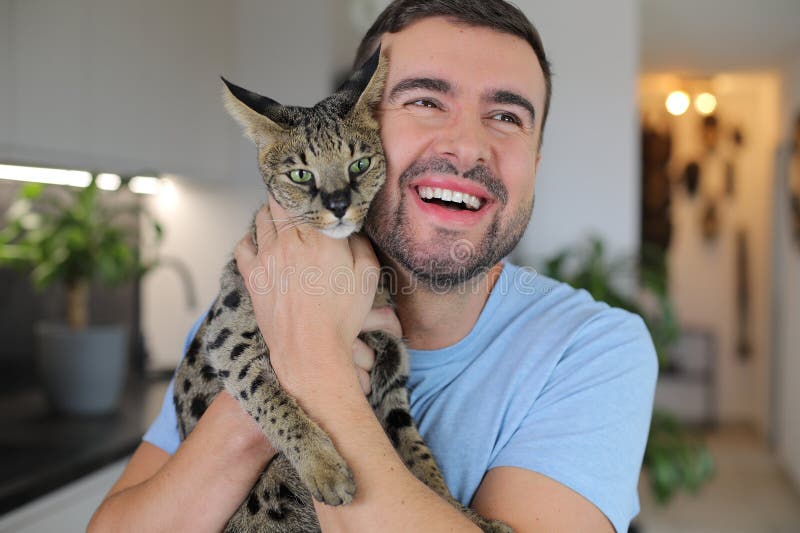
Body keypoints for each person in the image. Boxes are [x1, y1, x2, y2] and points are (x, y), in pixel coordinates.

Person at [89, 1, 657, 531]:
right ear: (363, 126)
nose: (466, 146)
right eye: (425, 101)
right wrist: (266, 396)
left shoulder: (594, 349)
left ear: (534, 160)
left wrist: (313, 362)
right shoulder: (258, 294)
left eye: (506, 115)